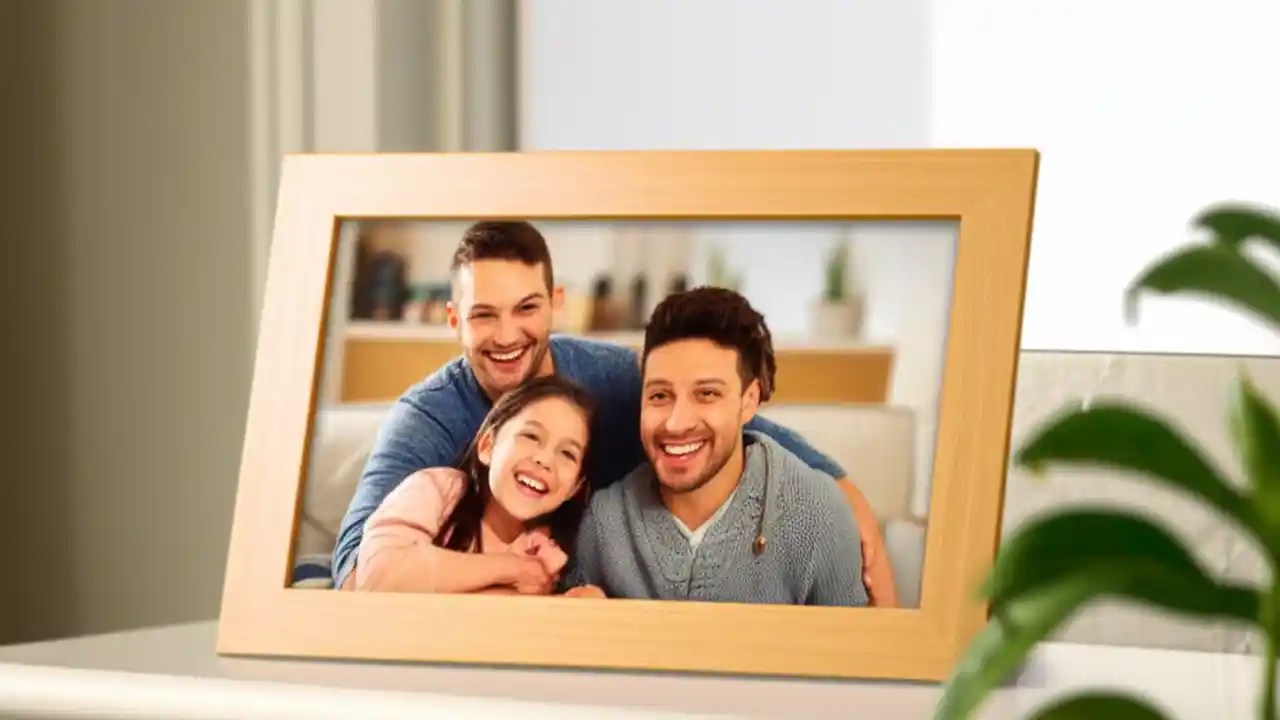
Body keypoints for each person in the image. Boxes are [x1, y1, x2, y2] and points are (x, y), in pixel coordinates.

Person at [333, 221, 896, 606]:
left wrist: (849, 501)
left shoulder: (616, 379)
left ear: (555, 302)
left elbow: (729, 418)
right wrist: (513, 578)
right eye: (484, 316)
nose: (507, 336)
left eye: (526, 308)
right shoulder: (427, 424)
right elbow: (356, 576)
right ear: (453, 319)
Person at [563, 288, 868, 606]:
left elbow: (859, 648)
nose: (676, 423)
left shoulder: (816, 511)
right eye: (659, 396)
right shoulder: (604, 520)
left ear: (748, 401)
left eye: (707, 394)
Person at [348, 375, 594, 595]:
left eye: (567, 454)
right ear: (487, 445)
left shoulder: (558, 554)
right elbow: (377, 576)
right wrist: (512, 569)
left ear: (575, 487)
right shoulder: (438, 490)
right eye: (530, 436)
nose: (544, 460)